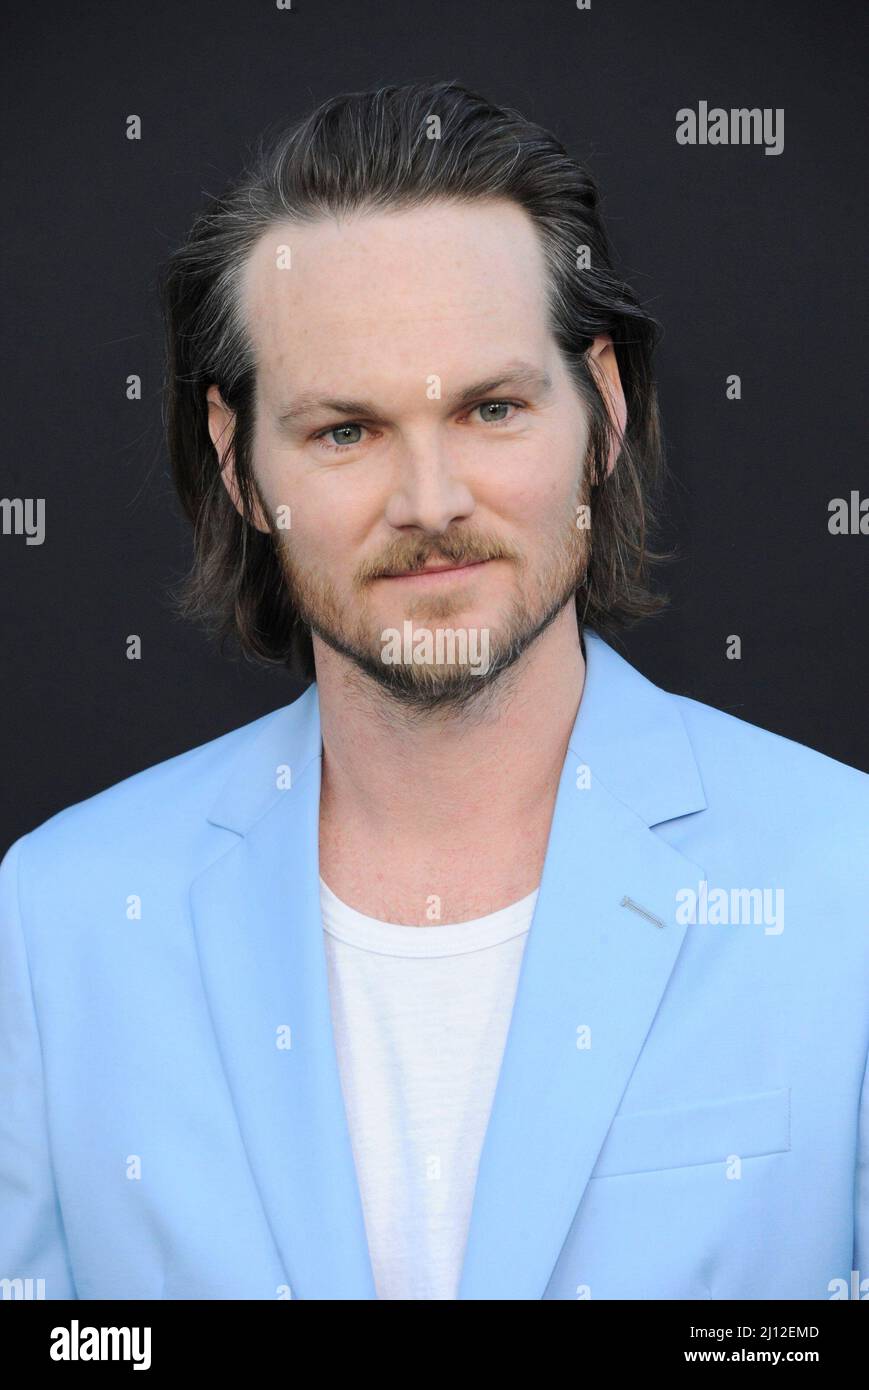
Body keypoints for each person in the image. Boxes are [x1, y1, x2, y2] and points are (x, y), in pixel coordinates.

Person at [1, 79, 866, 1303]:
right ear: (238, 462)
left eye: (492, 408)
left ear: (601, 411)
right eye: (343, 431)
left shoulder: (845, 881)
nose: (431, 500)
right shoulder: (56, 921)